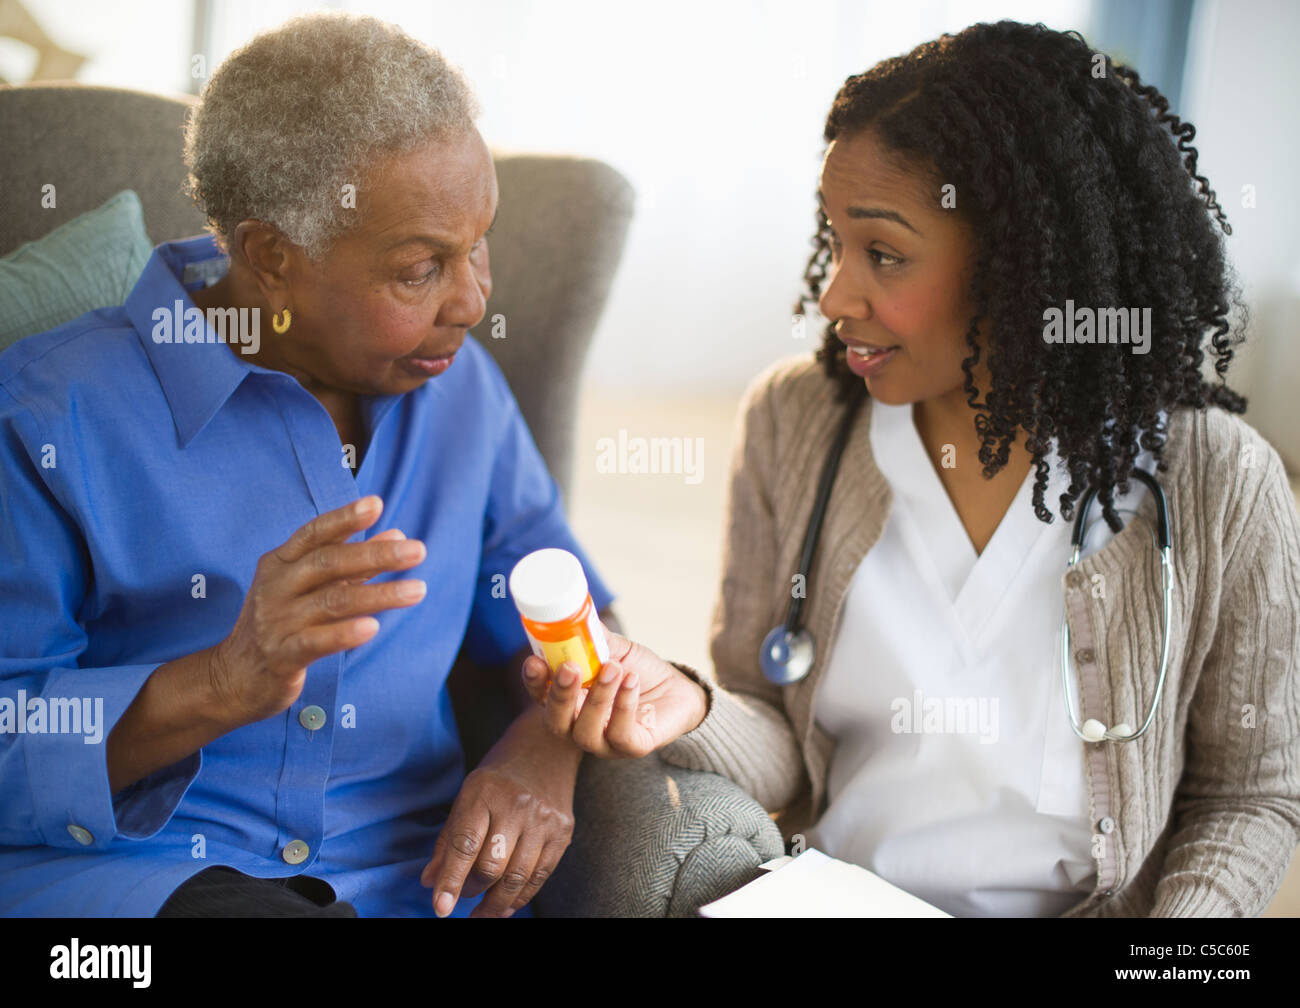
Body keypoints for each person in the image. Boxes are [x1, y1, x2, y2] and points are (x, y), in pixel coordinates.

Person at [525, 21, 1300, 916]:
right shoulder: (797, 422)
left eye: (884, 254)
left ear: (1021, 271)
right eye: (837, 242)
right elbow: (772, 727)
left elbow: (1250, 796)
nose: (834, 294)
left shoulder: (1215, 479)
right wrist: (689, 704)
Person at [0, 12, 610, 918]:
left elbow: (565, 620)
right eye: (420, 269)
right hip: (137, 884)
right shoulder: (48, 413)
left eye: (477, 245)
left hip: (406, 885)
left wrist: (543, 748)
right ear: (272, 258)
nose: (474, 301)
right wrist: (221, 683)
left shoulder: (462, 393)